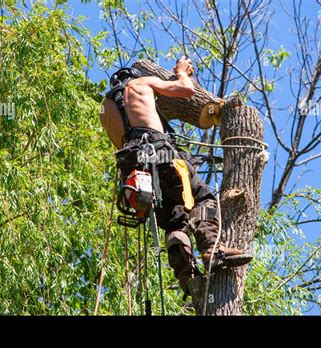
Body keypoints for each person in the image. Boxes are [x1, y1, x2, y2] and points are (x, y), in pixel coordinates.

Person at [100, 56, 252, 295]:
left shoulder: (105, 111)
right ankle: (213, 250)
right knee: (203, 198)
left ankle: (186, 276)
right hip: (160, 153)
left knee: (174, 221)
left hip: (135, 172)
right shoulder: (140, 84)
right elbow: (186, 90)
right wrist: (181, 71)